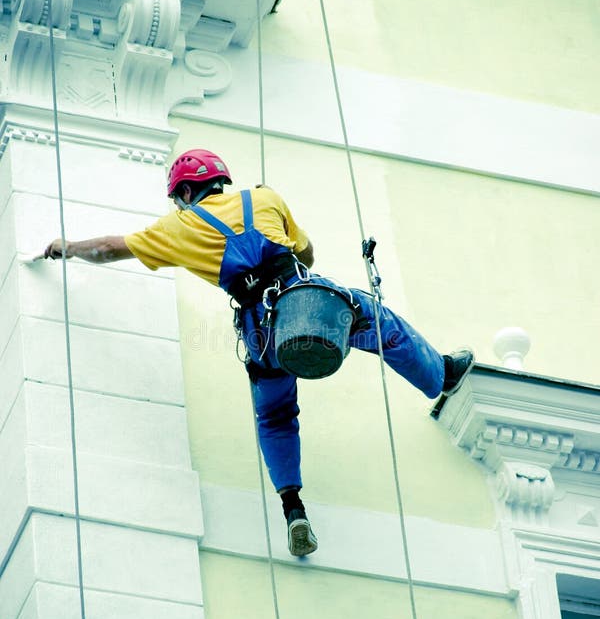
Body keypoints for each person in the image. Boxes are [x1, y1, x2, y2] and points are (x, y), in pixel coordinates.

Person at [44, 148, 473, 557]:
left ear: (187, 192)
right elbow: (305, 251)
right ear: (220, 180)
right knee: (381, 326)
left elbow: (111, 248)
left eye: (180, 199)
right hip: (307, 306)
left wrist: (69, 247)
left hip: (261, 332)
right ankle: (441, 376)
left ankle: (293, 508)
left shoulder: (178, 228)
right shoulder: (264, 197)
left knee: (274, 416)